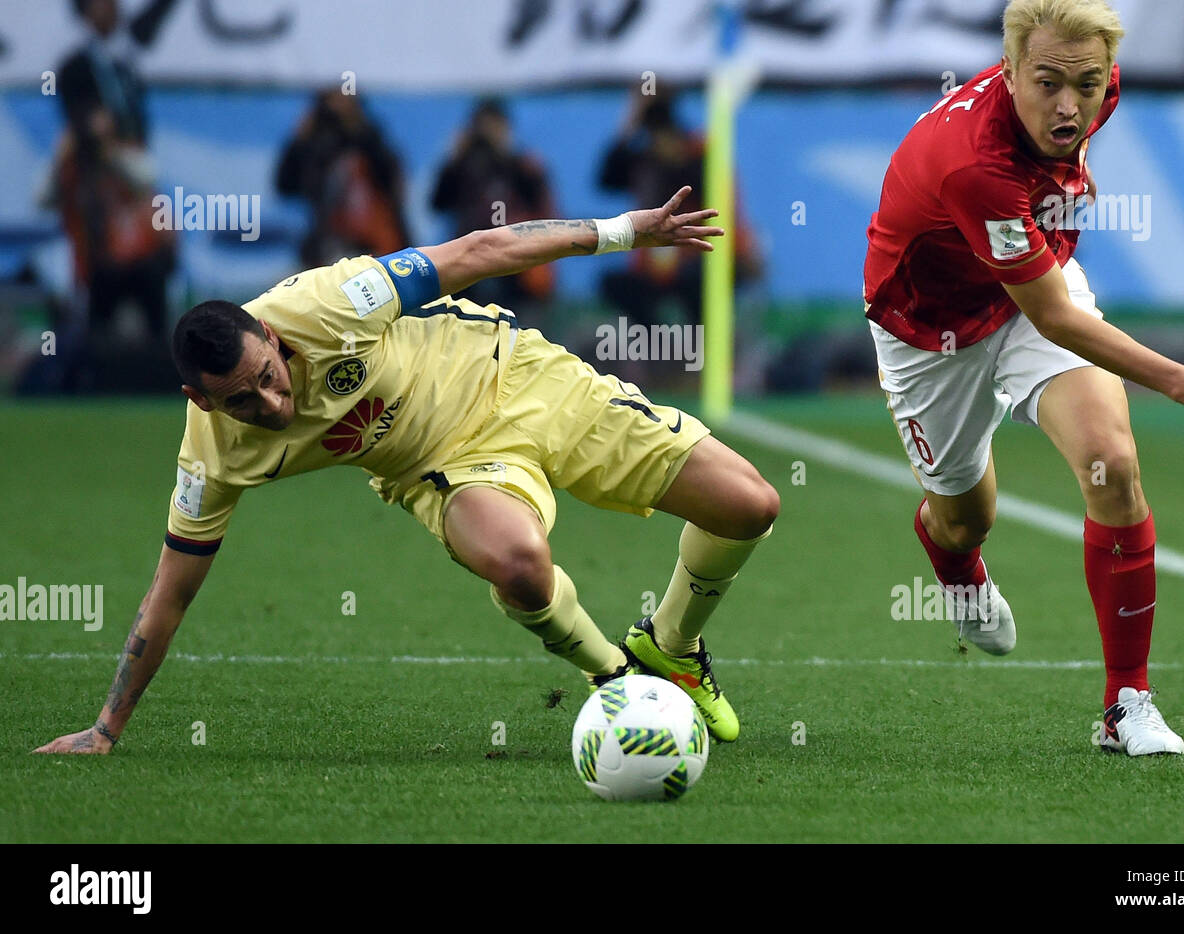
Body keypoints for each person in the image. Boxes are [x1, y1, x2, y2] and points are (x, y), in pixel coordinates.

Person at [34, 187, 778, 757]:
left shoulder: (328, 304)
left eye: (268, 373)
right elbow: (171, 592)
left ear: (268, 333)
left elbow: (481, 250)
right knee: (519, 565)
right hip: (439, 467)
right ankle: (617, 680)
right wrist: (105, 728)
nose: (272, 401)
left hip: (523, 378)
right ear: (199, 398)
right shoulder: (212, 456)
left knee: (749, 505)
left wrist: (625, 231)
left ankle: (670, 648)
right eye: (242, 400)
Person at [862, 0, 1184, 757]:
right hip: (929, 329)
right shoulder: (974, 164)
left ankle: (1127, 702)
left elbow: (1046, 305)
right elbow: (1054, 316)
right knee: (965, 516)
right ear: (1010, 69)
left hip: (1032, 282)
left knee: (1112, 464)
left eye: (1085, 86)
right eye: (1047, 83)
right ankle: (953, 564)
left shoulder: (1100, 87)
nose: (1068, 106)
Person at [48, 0, 174, 362]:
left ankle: (157, 364)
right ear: (87, 13)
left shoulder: (125, 67)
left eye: (112, 7)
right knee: (95, 264)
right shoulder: (76, 66)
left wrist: (121, 146)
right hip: (93, 174)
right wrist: (89, 135)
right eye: (99, 7)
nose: (107, 14)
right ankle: (90, 362)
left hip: (127, 161)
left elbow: (140, 129)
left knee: (151, 259)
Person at [598, 86, 761, 329]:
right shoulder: (645, 160)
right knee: (614, 283)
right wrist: (630, 121)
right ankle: (661, 344)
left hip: (707, 255)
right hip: (660, 265)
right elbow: (606, 179)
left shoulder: (701, 153)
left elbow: (718, 198)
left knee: (697, 278)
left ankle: (702, 345)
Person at [429, 99, 558, 325]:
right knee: (467, 322)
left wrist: (504, 153)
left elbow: (542, 206)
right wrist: (453, 159)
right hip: (468, 254)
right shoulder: (463, 166)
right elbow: (437, 203)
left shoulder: (521, 166)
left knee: (516, 325)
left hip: (514, 259)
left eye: (495, 126)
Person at [275, 90, 408, 267]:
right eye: (333, 99)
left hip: (377, 242)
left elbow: (393, 183)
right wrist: (299, 141)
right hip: (328, 241)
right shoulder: (315, 145)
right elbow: (285, 185)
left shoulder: (372, 141)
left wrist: (358, 129)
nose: (340, 105)